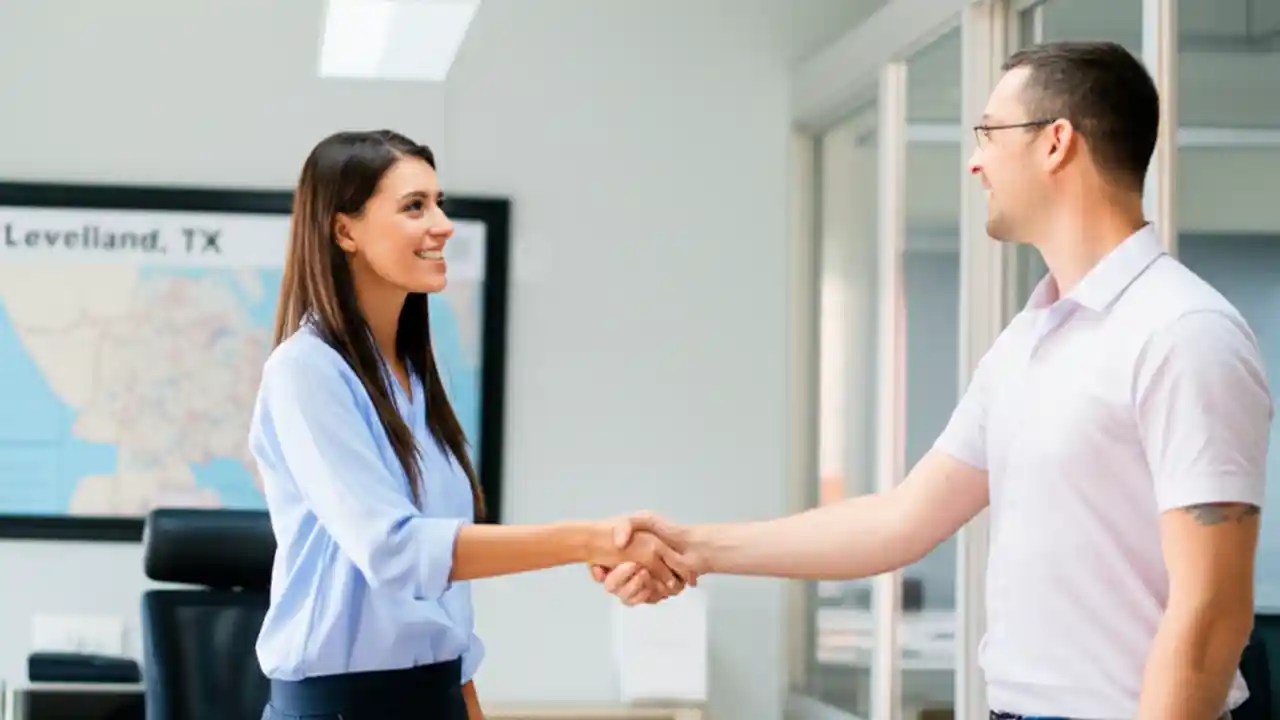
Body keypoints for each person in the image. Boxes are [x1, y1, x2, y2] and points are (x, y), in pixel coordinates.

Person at [594, 41, 1272, 720]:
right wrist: (693, 548)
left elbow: (1212, 608)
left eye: (988, 133)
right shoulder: (1027, 342)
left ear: (1056, 142)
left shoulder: (1181, 332)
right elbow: (899, 521)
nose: (975, 161)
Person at [248, 129, 692, 720]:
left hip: (438, 697)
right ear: (344, 229)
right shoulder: (306, 371)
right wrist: (590, 539)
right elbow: (398, 552)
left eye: (439, 203)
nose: (442, 224)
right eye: (414, 206)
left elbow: (442, 603)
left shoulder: (412, 379)